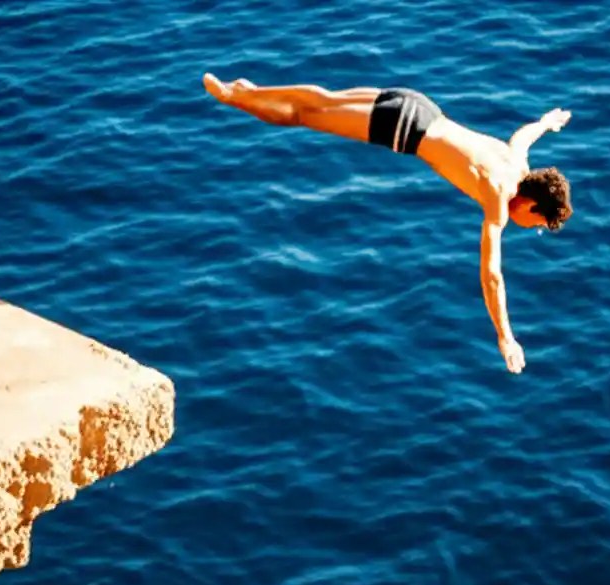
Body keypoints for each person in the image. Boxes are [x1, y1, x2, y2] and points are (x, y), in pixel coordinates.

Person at [202, 73, 573, 374]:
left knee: (324, 99)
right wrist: (505, 337)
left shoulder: (516, 164)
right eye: (534, 221)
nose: (527, 226)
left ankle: (248, 89)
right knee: (305, 116)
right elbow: (492, 276)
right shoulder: (498, 198)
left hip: (419, 104)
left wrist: (547, 122)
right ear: (529, 203)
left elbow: (524, 136)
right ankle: (235, 98)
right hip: (406, 128)